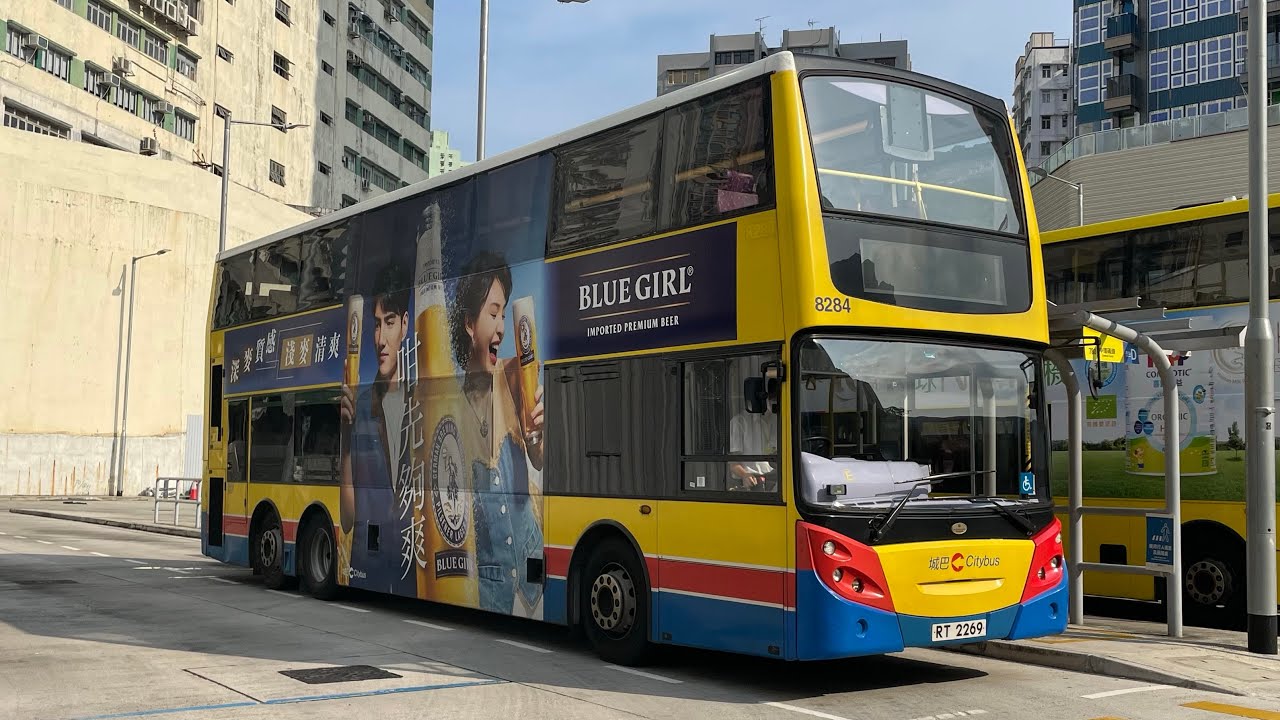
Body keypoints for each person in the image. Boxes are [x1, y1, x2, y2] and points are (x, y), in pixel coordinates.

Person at [449, 251, 545, 617]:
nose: (502, 326)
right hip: (490, 591)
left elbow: (538, 456)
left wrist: (539, 431)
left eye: (504, 312)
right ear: (470, 323)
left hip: (534, 574)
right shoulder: (450, 406)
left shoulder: (514, 374)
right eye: (493, 312)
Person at [338, 268, 416, 596]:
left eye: (390, 322)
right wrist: (345, 435)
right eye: (376, 323)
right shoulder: (361, 405)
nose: (380, 339)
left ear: (406, 325)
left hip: (412, 565)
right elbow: (346, 518)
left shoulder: (424, 404)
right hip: (367, 563)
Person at [728, 378, 778, 491]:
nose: (775, 402)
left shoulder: (778, 421)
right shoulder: (739, 422)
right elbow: (733, 463)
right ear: (760, 398)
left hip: (776, 481)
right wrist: (745, 475)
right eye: (772, 398)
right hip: (751, 484)